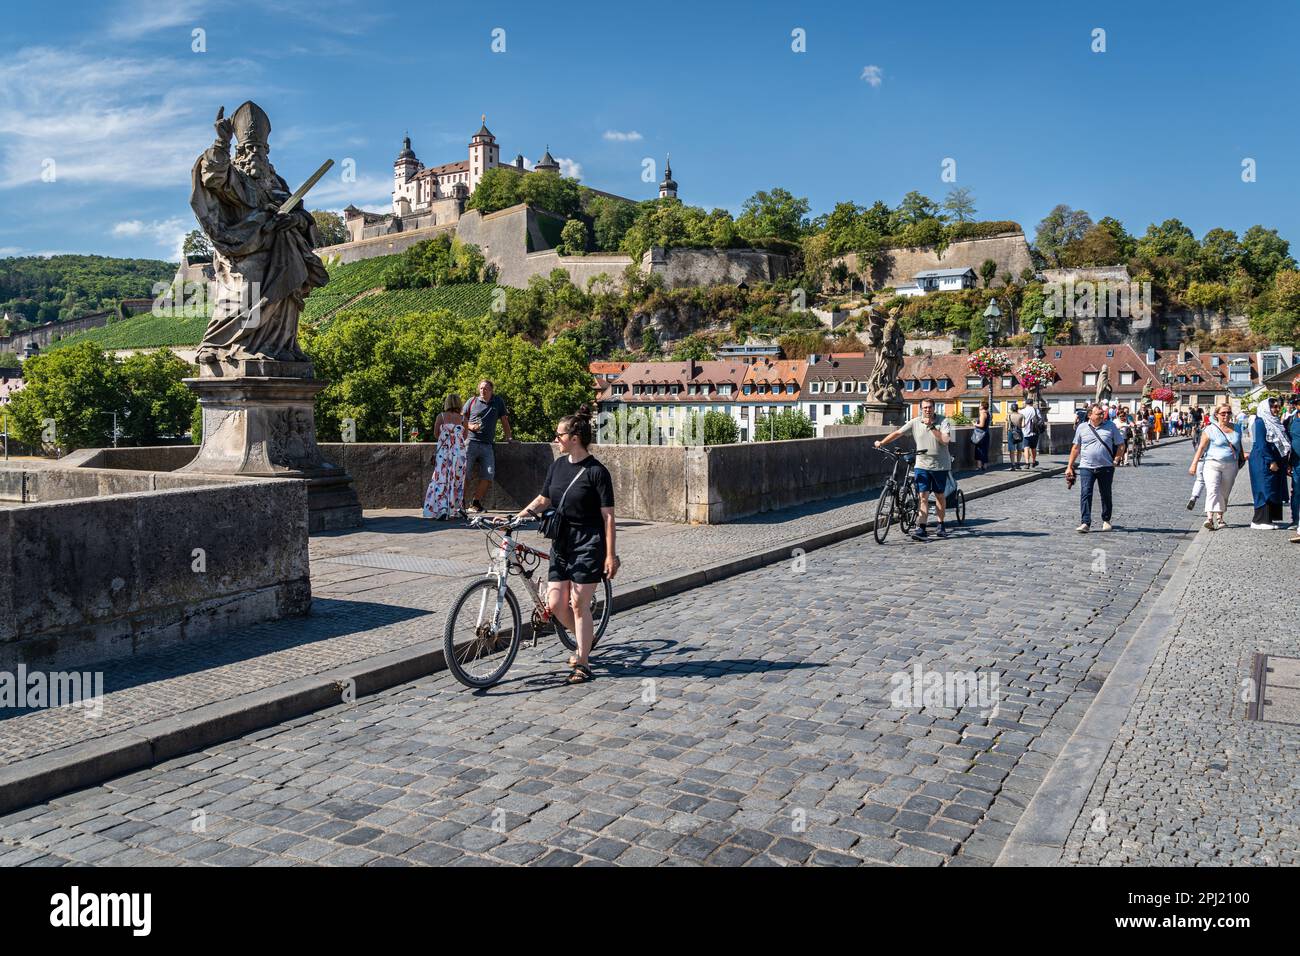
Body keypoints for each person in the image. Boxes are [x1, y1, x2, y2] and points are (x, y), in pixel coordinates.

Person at [515, 406, 617, 685]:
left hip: (588, 543)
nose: (555, 439)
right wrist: (516, 518)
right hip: (561, 543)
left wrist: (610, 555)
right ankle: (587, 638)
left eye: (558, 435)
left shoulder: (598, 472)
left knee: (578, 603)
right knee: (556, 603)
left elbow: (608, 516)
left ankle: (583, 661)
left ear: (574, 438)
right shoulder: (557, 466)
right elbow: (543, 500)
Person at [875, 397, 952, 540]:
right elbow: (898, 433)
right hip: (922, 464)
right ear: (921, 409)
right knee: (922, 496)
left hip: (940, 465)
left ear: (934, 408)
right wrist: (882, 442)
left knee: (939, 496)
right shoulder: (915, 422)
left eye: (930, 407)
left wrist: (931, 427)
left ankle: (941, 525)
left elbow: (946, 441)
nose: (927, 410)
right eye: (925, 408)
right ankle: (921, 527)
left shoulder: (944, 421)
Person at [1066, 403, 1126, 533]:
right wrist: (1069, 466)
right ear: (1090, 415)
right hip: (1086, 467)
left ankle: (1106, 520)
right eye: (1099, 413)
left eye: (1102, 413)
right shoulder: (1081, 428)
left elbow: (1121, 444)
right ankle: (1085, 522)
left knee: (1105, 494)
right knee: (1085, 494)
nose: (1102, 415)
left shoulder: (1110, 426)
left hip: (1106, 467)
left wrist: (1117, 459)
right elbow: (1076, 448)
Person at [462, 379, 513, 514]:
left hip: (487, 445)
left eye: (486, 388)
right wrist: (470, 426)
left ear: (491, 390)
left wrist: (509, 438)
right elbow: (461, 418)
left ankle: (475, 502)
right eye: (481, 388)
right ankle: (459, 503)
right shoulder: (472, 401)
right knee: (464, 474)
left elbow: (504, 420)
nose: (483, 391)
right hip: (470, 442)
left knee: (489, 474)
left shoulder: (498, 402)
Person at [1188, 404, 1243, 530]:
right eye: (1223, 413)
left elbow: (1238, 446)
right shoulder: (1210, 430)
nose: (1226, 415)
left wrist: (1243, 456)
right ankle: (1209, 518)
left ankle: (1220, 517)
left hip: (1231, 464)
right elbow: (1201, 448)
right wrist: (1194, 464)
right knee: (1212, 490)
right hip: (1212, 463)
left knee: (1224, 492)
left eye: (1228, 413)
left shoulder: (1237, 428)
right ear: (1217, 415)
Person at [422, 393, 467, 520]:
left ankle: (442, 509)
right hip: (459, 453)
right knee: (457, 481)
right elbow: (465, 436)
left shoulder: (441, 417)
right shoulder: (463, 419)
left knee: (441, 479)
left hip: (444, 454)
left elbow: (436, 434)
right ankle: (457, 509)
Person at [1248, 396, 1290, 529]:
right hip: (1263, 460)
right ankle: (1259, 521)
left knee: (1272, 488)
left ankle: (1269, 519)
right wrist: (1270, 461)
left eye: (1278, 407)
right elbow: (1261, 444)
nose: (1276, 409)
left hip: (1274, 460)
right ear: (1266, 408)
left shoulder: (1276, 422)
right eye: (1273, 407)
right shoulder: (1260, 422)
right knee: (1264, 487)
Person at [972, 400, 991, 472]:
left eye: (980, 405)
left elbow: (981, 425)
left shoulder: (983, 414)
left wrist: (974, 424)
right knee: (985, 449)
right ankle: (985, 466)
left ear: (982, 406)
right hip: (985, 434)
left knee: (979, 450)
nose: (979, 406)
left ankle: (979, 466)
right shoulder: (987, 413)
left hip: (980, 434)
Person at [1022, 400, 1042, 468]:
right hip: (1034, 431)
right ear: (1032, 403)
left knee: (1026, 448)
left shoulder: (1023, 411)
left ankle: (1027, 463)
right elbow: (1040, 419)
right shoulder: (1036, 410)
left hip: (1025, 431)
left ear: (1026, 404)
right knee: (1033, 448)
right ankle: (1033, 461)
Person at [1006, 401, 1025, 471]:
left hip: (1011, 433)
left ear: (1011, 409)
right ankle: (1018, 464)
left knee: (1012, 450)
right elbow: (1023, 425)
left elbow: (1007, 426)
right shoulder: (1021, 415)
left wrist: (1007, 432)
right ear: (1017, 409)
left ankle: (1012, 465)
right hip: (1019, 432)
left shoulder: (1009, 415)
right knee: (1019, 449)